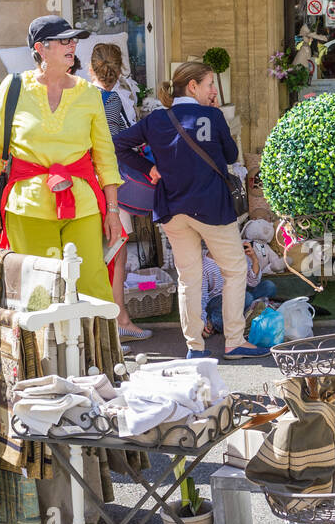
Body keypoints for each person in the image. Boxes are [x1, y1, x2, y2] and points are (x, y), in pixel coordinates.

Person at [113, 61, 268, 359]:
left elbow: (118, 145)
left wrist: (149, 168)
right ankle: (234, 341)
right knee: (235, 270)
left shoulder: (156, 119)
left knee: (188, 278)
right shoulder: (212, 116)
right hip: (211, 206)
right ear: (193, 86)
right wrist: (216, 111)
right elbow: (231, 155)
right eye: (210, 84)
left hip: (171, 207)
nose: (214, 90)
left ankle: (194, 347)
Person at [0, 16, 124, 305]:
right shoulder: (13, 87)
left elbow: (105, 156)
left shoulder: (89, 94)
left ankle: (91, 351)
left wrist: (113, 210)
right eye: (65, 40)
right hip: (27, 207)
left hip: (82, 206)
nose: (73, 45)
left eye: (74, 40)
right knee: (37, 293)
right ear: (41, 48)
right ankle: (41, 352)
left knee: (91, 285)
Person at [90, 42, 152, 341]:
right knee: (116, 250)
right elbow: (127, 140)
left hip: (85, 183)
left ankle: (103, 323)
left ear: (91, 68)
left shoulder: (78, 96)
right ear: (120, 69)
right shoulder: (113, 100)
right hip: (111, 183)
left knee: (94, 252)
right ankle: (119, 318)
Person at [200, 242, 277, 338]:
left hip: (241, 293)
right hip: (218, 301)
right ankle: (214, 322)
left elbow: (253, 282)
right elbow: (202, 296)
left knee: (269, 287)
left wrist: (254, 259)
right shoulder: (205, 265)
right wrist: (202, 319)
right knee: (247, 298)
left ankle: (246, 314)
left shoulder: (237, 255)